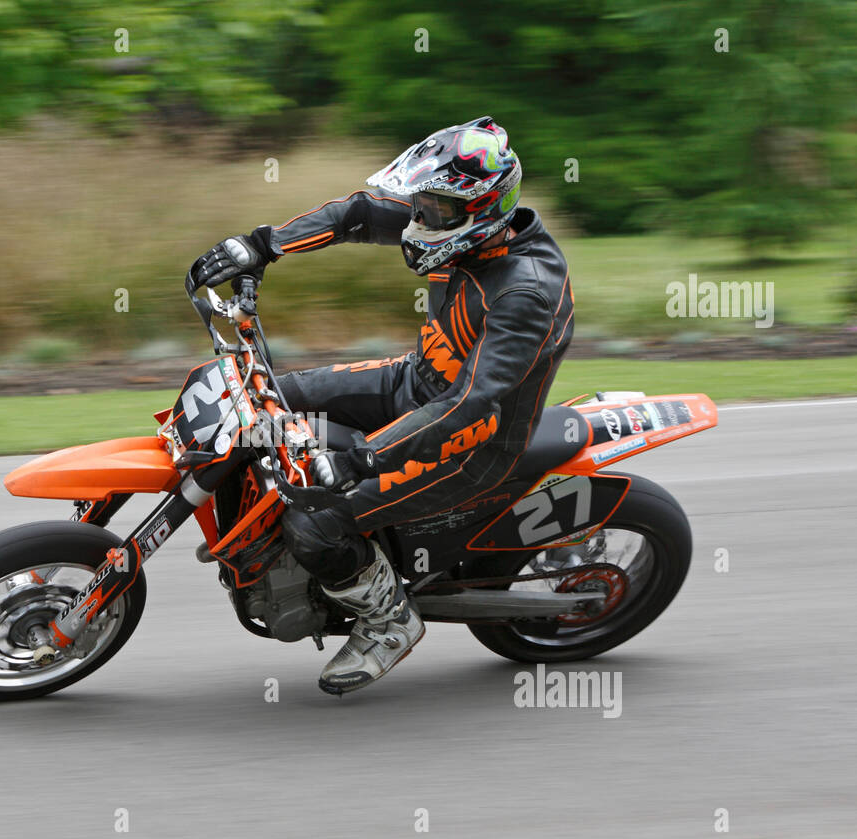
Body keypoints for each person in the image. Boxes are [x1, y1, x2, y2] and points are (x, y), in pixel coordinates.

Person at [192, 116, 574, 695]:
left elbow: (471, 403)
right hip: (412, 382)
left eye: (431, 210)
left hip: (465, 444)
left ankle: (389, 620)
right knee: (266, 397)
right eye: (418, 203)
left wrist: (362, 459)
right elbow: (361, 215)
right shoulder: (456, 220)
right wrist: (262, 244)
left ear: (482, 208)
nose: (418, 219)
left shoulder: (524, 290)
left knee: (316, 522)